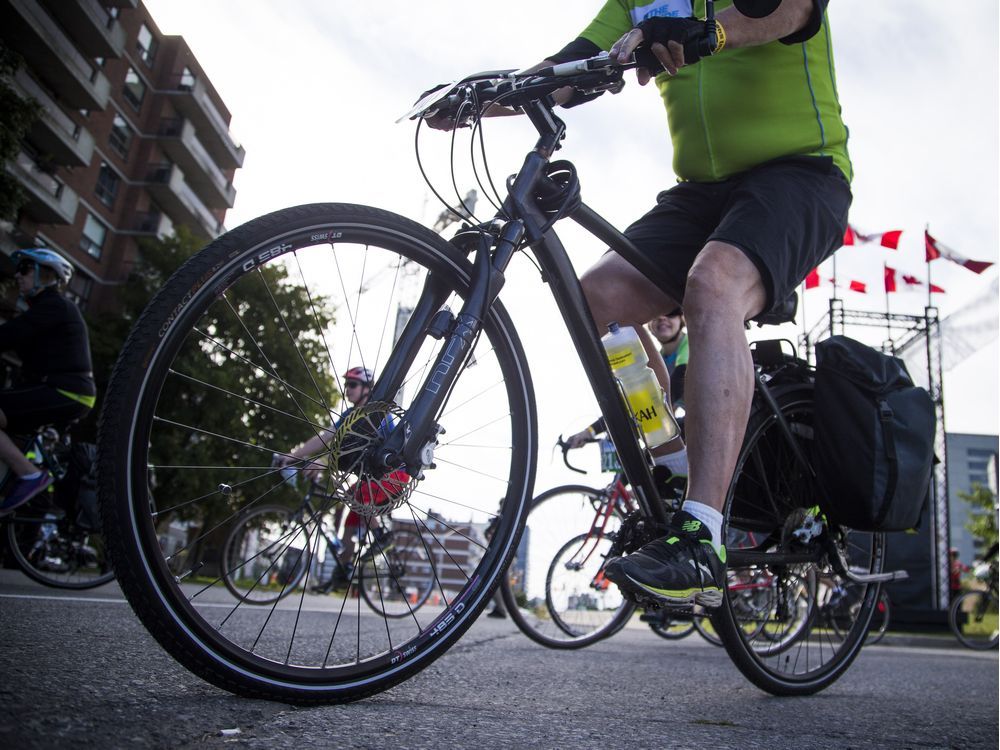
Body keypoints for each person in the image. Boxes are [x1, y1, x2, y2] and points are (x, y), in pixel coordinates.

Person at [431, 0, 851, 609]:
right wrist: (480, 99)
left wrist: (714, 30)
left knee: (713, 285)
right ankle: (675, 462)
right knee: (598, 297)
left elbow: (794, 9)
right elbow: (573, 66)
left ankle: (702, 537)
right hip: (702, 191)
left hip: (801, 174)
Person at [280, 366, 408, 592]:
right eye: (346, 384)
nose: (347, 390)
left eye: (353, 385)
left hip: (394, 475)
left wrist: (323, 461)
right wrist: (292, 456)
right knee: (350, 524)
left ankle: (381, 536)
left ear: (367, 390)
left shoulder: (375, 414)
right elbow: (325, 437)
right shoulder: (350, 416)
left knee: (359, 494)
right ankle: (343, 571)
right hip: (373, 478)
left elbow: (357, 449)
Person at [0, 249, 96, 515]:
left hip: (67, 391)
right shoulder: (46, 310)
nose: (18, 275)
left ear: (48, 275)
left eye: (26, 269)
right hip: (63, 391)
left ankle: (29, 474)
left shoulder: (54, 306)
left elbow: (8, 336)